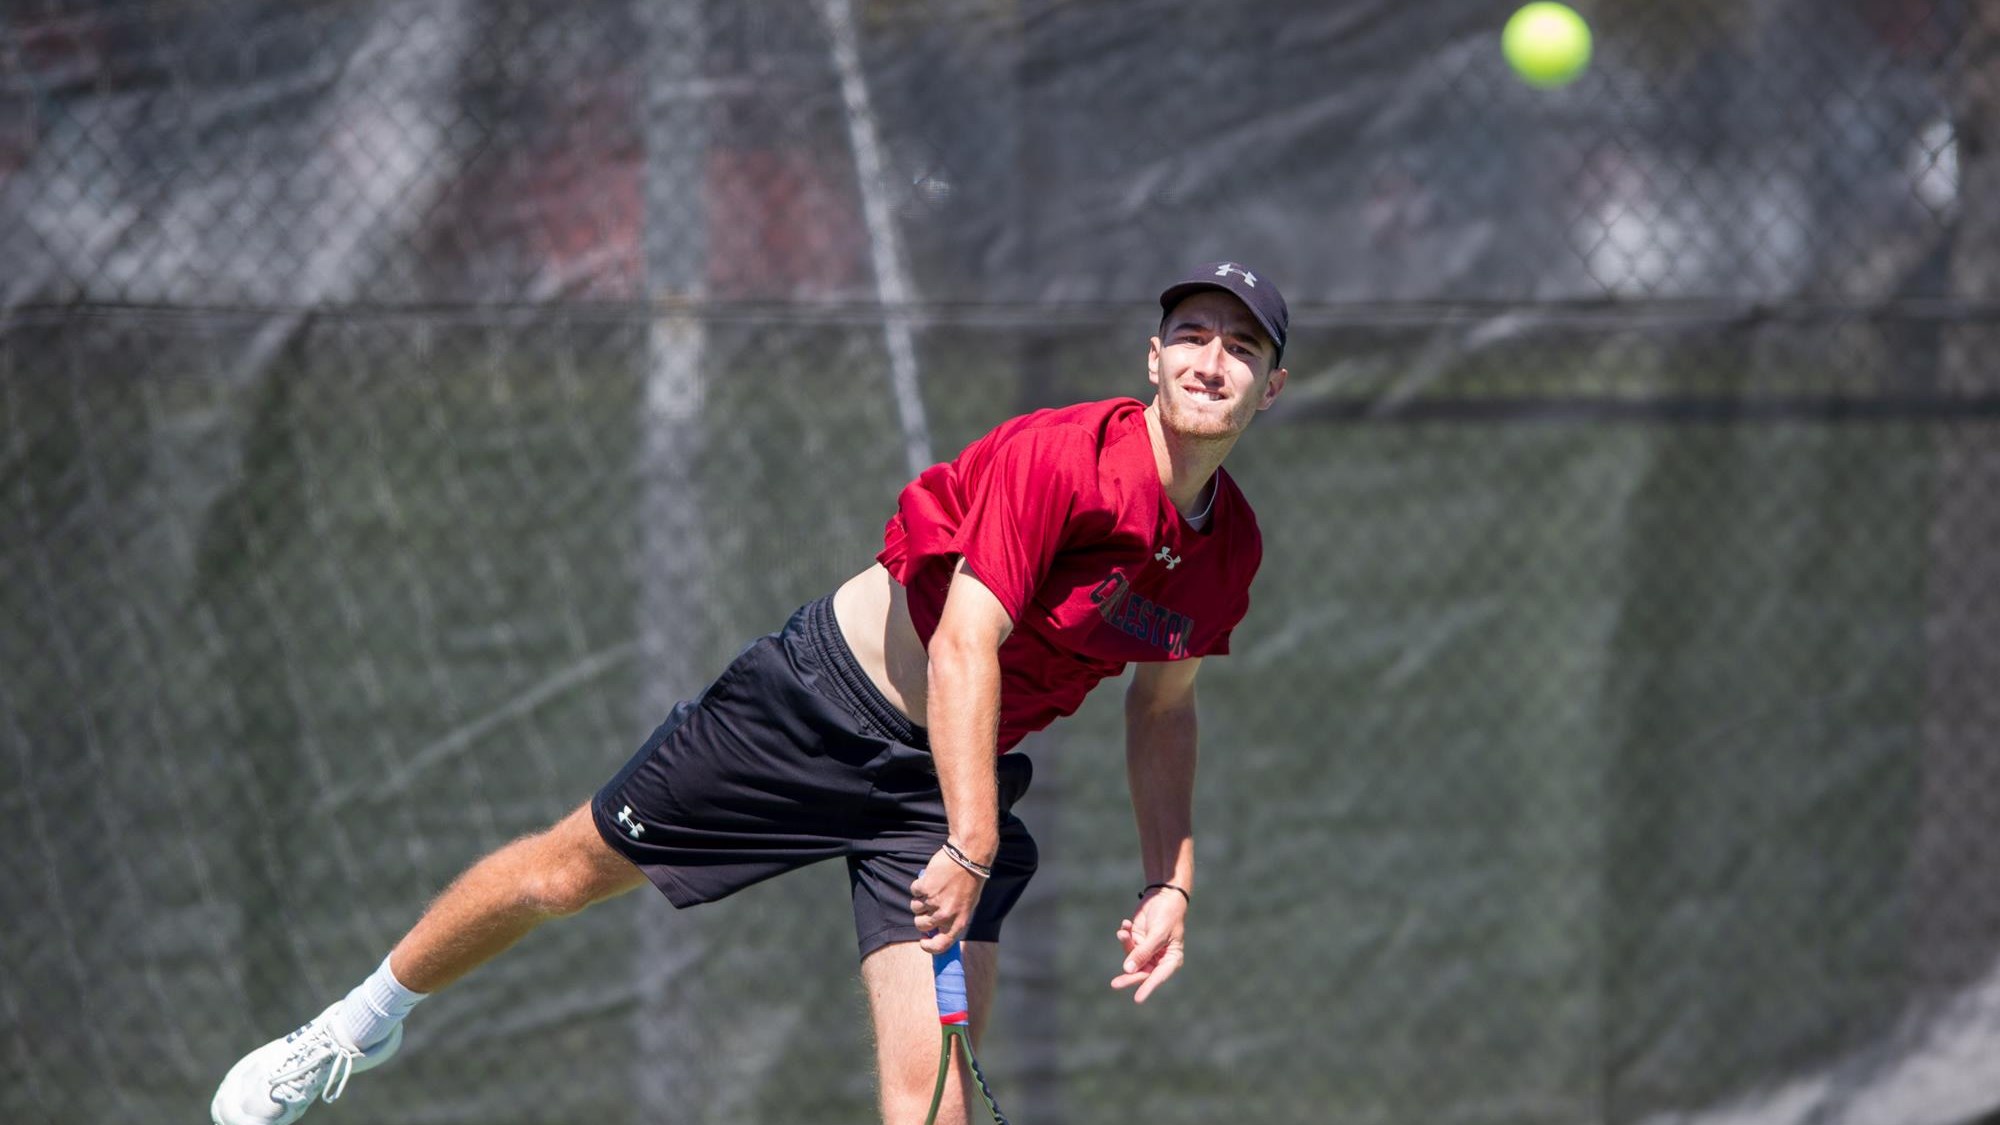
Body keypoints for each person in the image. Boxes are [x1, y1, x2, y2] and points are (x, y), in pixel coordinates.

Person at [210, 261, 1291, 1125]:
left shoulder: (1226, 547)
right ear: (1151, 358)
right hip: (815, 707)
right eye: (1192, 335)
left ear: (1269, 387)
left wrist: (1168, 884)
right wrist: (969, 847)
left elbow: (1164, 708)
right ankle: (352, 1026)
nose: (1212, 359)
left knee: (932, 1100)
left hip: (938, 792)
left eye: (1240, 347)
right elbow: (966, 644)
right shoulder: (1060, 458)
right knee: (558, 875)